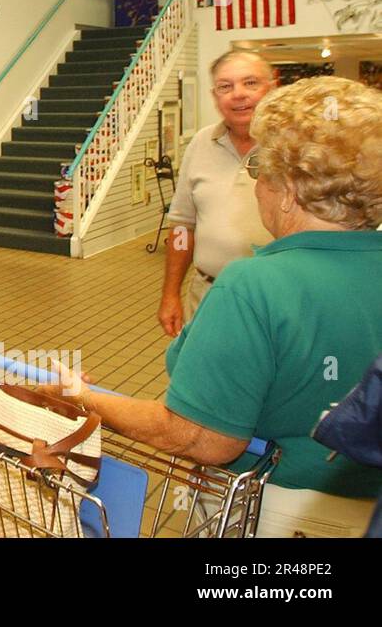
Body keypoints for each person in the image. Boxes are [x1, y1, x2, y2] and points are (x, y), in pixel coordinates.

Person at [43, 77, 382, 537]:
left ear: (288, 190)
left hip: (280, 511)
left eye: (260, 166)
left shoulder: (255, 285)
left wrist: (84, 398)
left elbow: (201, 437)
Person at [157, 51, 274, 337]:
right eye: (225, 86)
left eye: (250, 83)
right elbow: (183, 225)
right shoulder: (201, 143)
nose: (238, 95)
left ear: (271, 87)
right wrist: (171, 293)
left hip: (275, 303)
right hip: (207, 296)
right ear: (214, 95)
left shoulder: (296, 146)